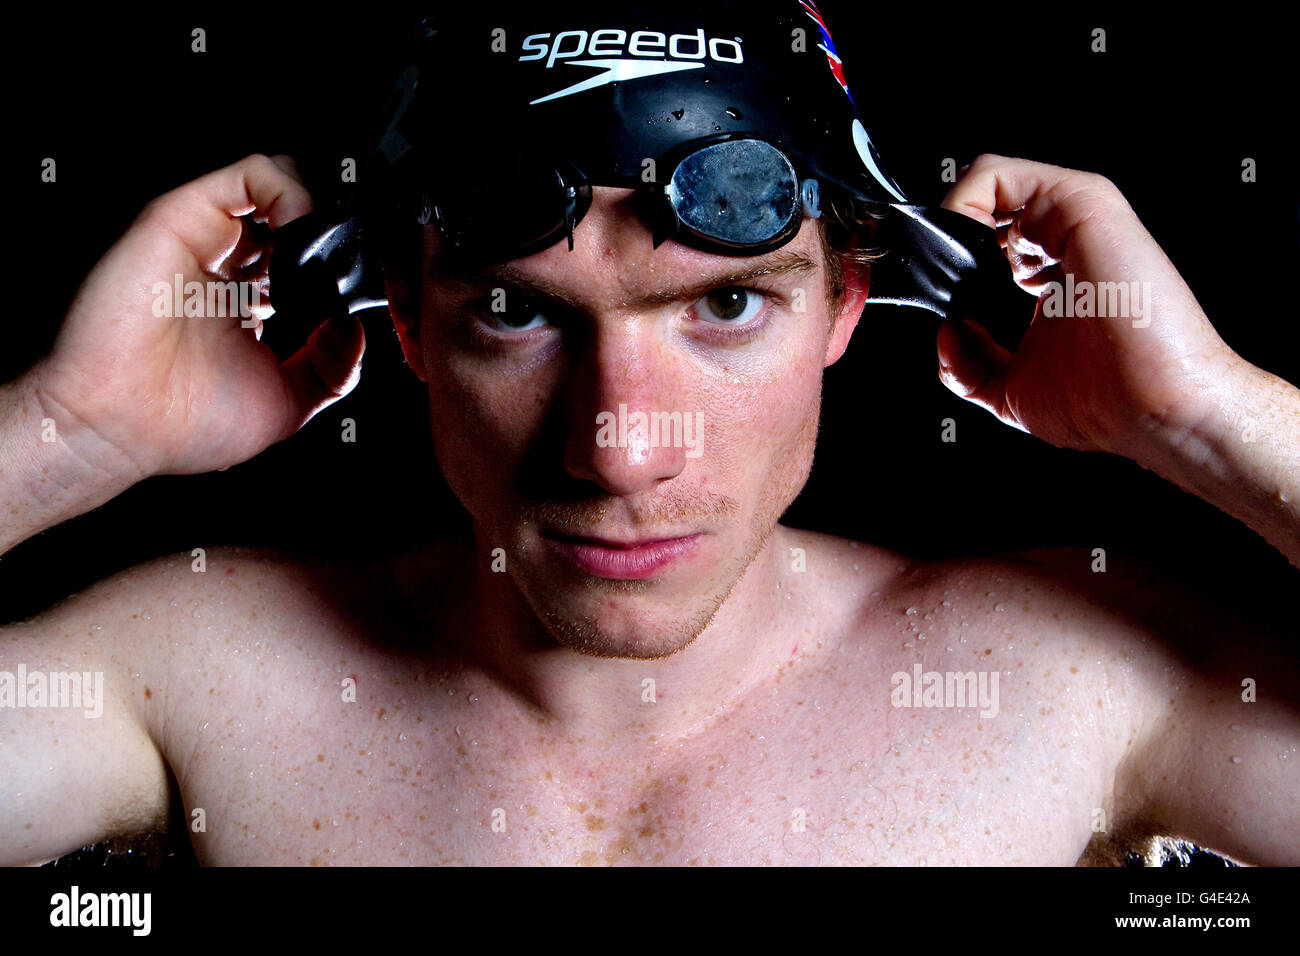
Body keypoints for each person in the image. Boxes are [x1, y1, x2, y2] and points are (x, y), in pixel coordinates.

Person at [1, 2, 1296, 866]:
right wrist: (64, 436)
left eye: (725, 305)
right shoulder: (194, 679)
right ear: (403, 320)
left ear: (846, 306)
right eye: (517, 312)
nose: (616, 450)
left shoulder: (1081, 689)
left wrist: (1214, 420)